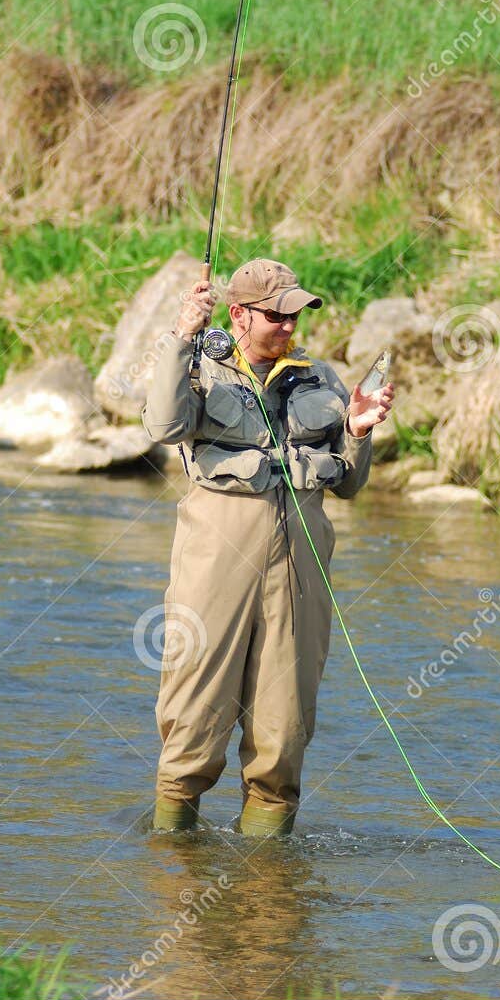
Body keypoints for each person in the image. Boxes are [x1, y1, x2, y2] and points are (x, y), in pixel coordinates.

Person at [141, 258, 394, 836]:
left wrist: (358, 432)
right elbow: (161, 426)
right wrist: (182, 335)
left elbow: (350, 485)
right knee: (194, 719)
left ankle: (266, 893)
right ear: (238, 315)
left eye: (295, 313)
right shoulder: (199, 370)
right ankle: (175, 874)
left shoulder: (320, 378)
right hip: (215, 570)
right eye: (277, 314)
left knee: (283, 735)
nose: (289, 324)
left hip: (299, 578)